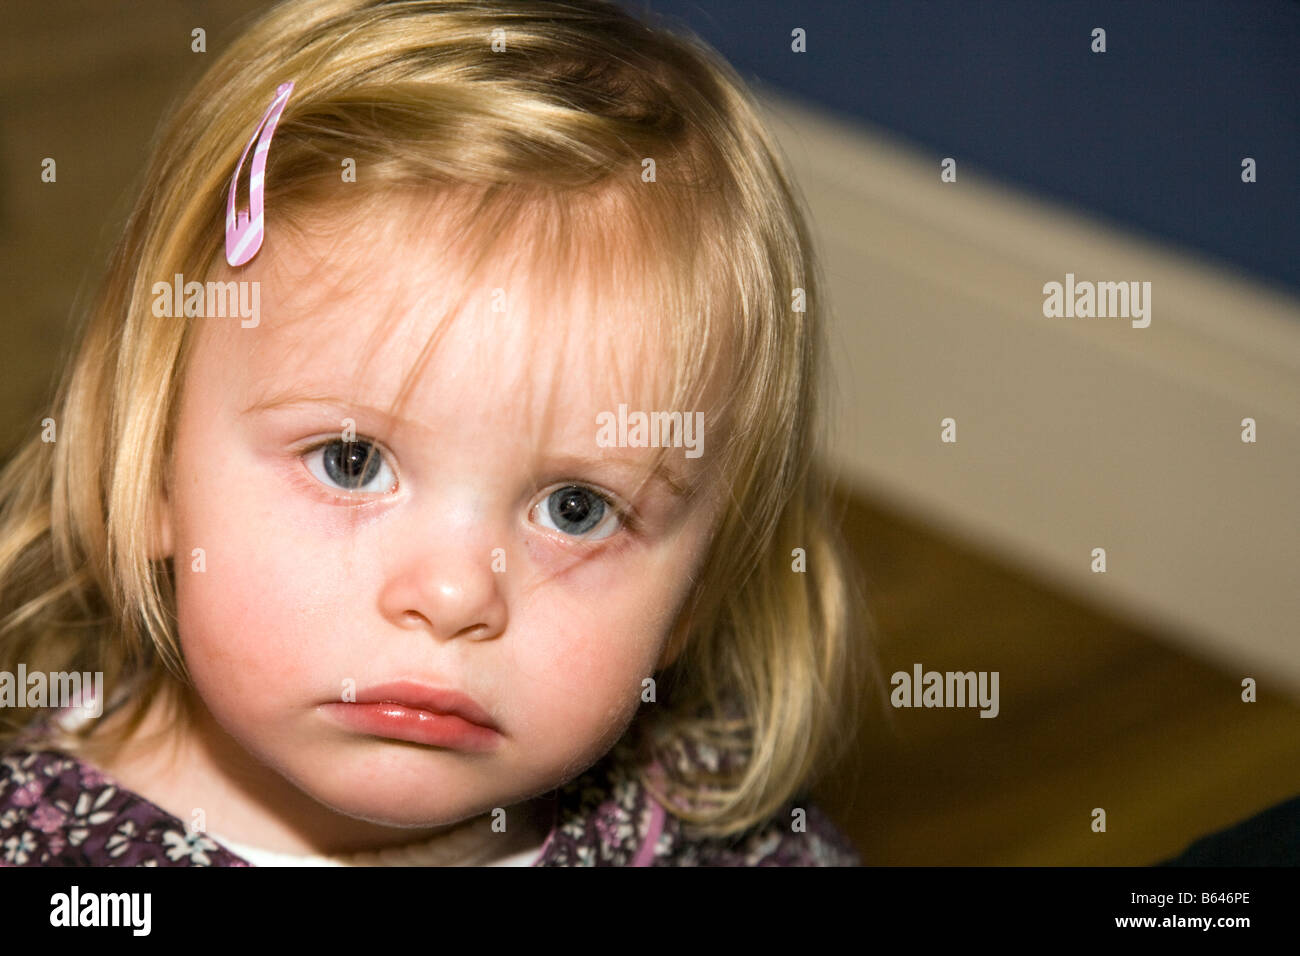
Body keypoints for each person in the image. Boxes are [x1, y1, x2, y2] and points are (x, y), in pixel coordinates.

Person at [0, 0, 878, 866]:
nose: (457, 596)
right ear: (153, 465)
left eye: (578, 509)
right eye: (351, 462)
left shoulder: (713, 830)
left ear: (694, 590)